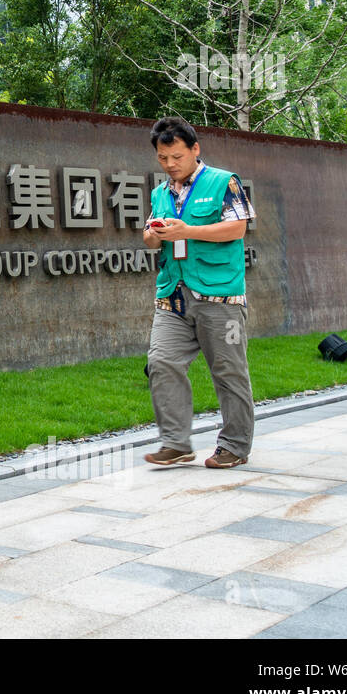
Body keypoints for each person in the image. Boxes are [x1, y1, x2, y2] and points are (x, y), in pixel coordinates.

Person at [141, 116, 256, 469]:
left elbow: (237, 228)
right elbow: (148, 237)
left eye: (176, 156)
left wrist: (187, 231)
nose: (170, 165)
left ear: (195, 149)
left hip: (220, 297)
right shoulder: (161, 192)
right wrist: (155, 234)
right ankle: (176, 443)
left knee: (228, 370)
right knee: (160, 363)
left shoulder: (225, 182)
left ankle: (234, 446)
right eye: (163, 158)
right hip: (172, 295)